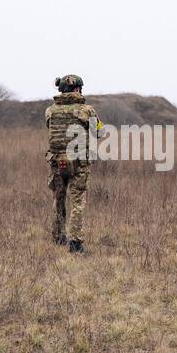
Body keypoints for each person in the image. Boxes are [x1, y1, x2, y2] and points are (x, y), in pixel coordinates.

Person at [45, 74, 101, 253]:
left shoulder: (50, 111)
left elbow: (50, 127)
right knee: (77, 201)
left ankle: (58, 237)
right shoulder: (87, 110)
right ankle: (75, 243)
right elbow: (98, 132)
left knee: (58, 199)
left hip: (56, 161)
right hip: (79, 163)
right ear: (77, 89)